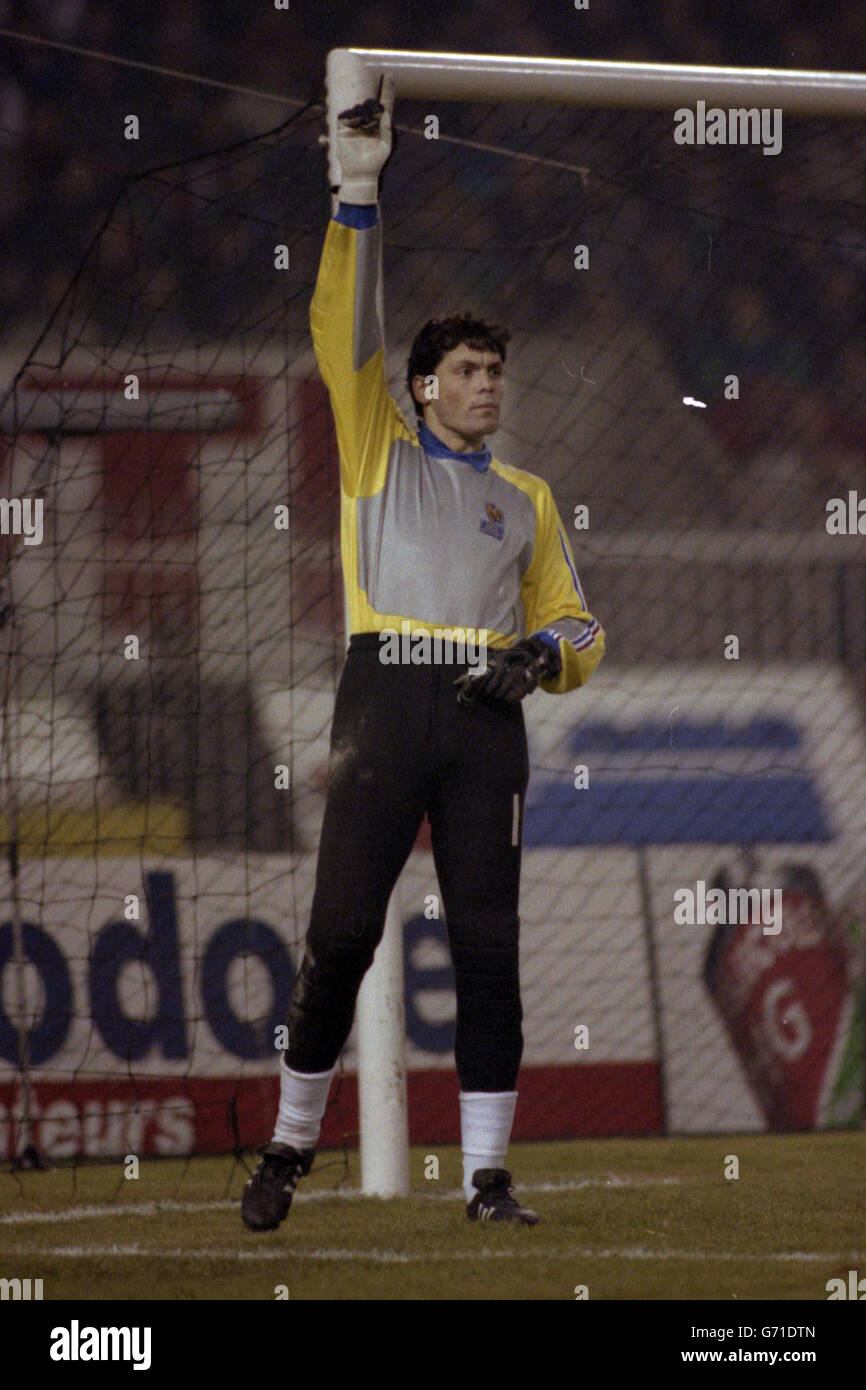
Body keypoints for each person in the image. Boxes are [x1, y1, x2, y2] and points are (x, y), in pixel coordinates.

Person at [242, 77, 604, 1232]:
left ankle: (488, 1178)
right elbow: (337, 329)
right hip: (383, 697)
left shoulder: (527, 498)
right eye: (464, 372)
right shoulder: (373, 452)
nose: (485, 386)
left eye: (493, 374)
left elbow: (580, 622)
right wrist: (356, 195)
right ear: (418, 389)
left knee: (487, 947)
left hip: (484, 718)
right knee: (341, 931)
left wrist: (540, 660)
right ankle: (291, 1143)